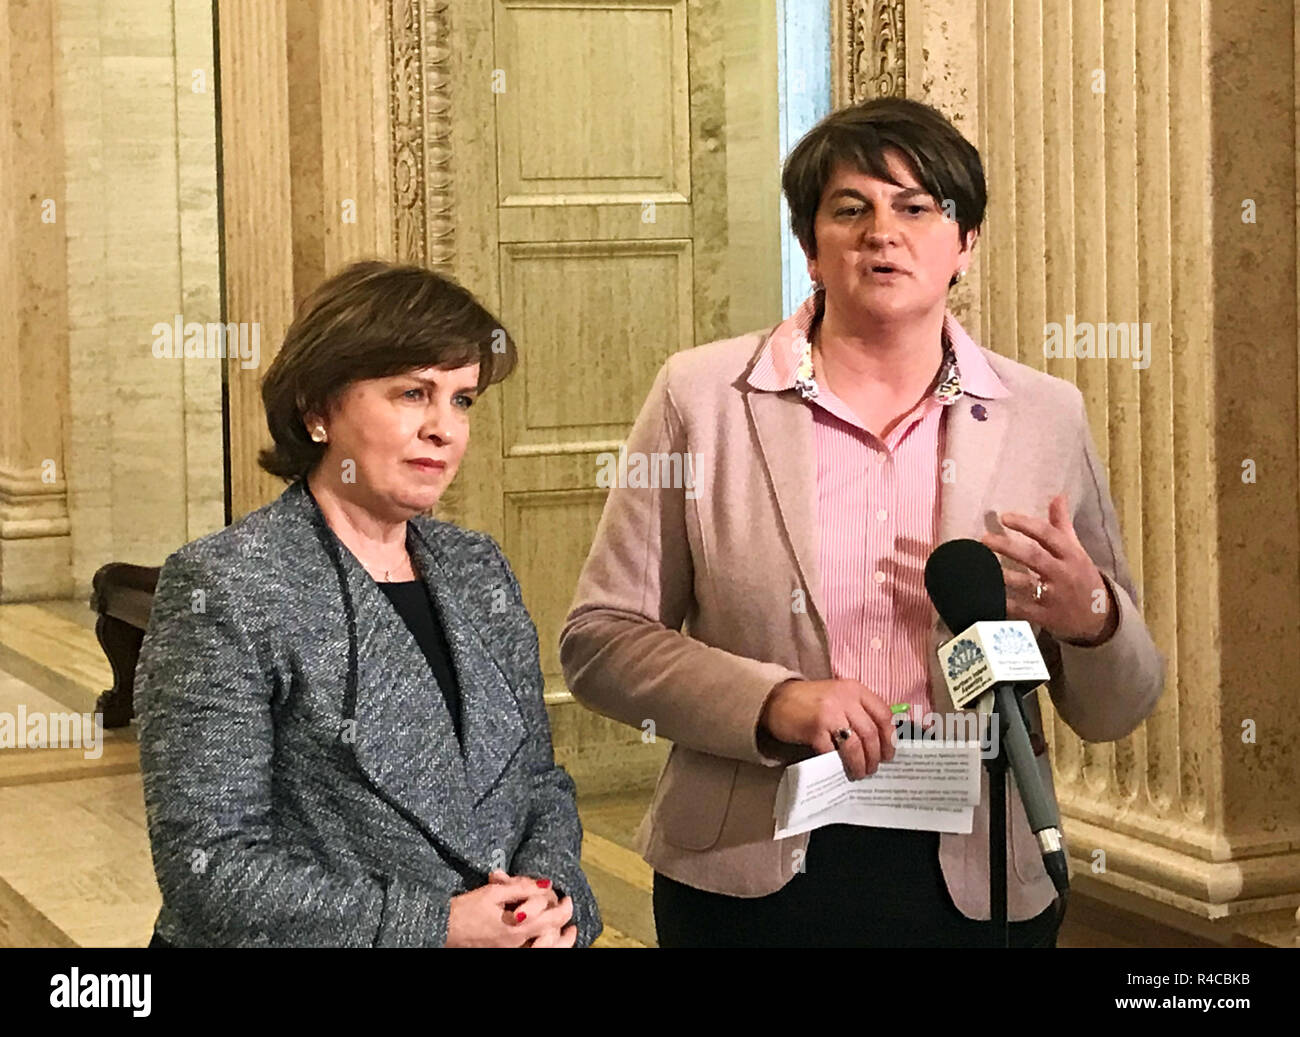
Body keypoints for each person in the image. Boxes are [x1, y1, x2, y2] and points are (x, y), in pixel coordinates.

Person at [560, 98, 1164, 948]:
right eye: (852, 209)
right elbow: (601, 639)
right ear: (811, 246)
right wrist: (775, 701)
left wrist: (1095, 617)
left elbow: (1118, 706)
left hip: (977, 871)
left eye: (918, 208)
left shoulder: (1044, 414)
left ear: (967, 242)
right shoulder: (703, 398)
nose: (884, 232)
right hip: (751, 861)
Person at [136, 260, 600, 947]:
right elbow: (211, 869)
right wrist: (435, 926)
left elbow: (538, 784)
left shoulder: (478, 569)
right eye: (413, 393)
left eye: (462, 399)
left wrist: (550, 898)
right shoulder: (227, 586)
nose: (445, 428)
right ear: (318, 409)